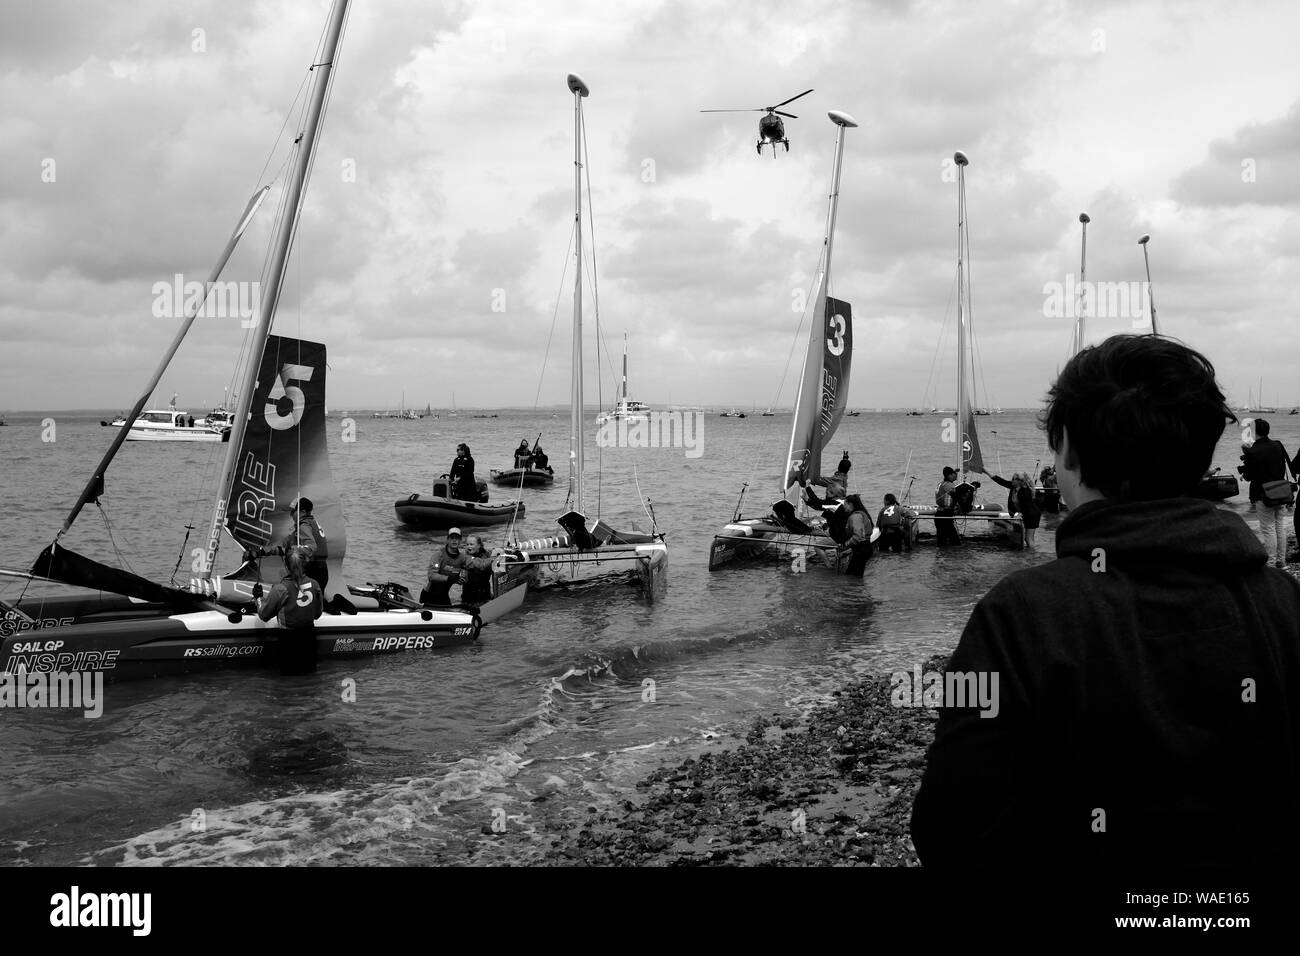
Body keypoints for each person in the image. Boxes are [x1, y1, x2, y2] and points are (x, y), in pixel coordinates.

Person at [911, 334, 1300, 870]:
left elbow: (952, 828)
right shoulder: (1283, 601)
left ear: (1066, 447)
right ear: (1201, 452)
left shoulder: (1021, 615)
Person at [256, 545, 324, 675]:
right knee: (308, 678)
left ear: (286, 566)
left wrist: (258, 598)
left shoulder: (280, 589)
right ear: (305, 565)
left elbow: (264, 615)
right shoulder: (315, 585)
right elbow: (317, 614)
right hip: (309, 639)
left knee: (288, 681)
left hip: (288, 642)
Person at [1239, 418, 1293, 568]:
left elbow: (1249, 475)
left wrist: (1247, 456)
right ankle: (1281, 561)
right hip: (1281, 491)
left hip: (1263, 494)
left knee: (1268, 528)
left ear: (1253, 431)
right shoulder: (1278, 445)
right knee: (1279, 526)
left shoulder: (1253, 450)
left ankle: (1270, 563)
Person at [258, 497, 329, 590]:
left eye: (293, 512)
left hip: (313, 572)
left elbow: (312, 547)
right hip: (322, 571)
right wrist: (266, 550)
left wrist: (290, 550)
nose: (291, 515)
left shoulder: (304, 526)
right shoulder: (312, 522)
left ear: (302, 512)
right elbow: (288, 540)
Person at [421, 527, 472, 605]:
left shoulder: (462, 558)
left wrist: (463, 579)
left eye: (457, 538)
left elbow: (472, 569)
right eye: (452, 538)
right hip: (429, 595)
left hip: (444, 596)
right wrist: (449, 578)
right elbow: (431, 576)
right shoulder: (438, 555)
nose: (454, 540)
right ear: (447, 540)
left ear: (461, 541)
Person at [839, 494, 875, 576]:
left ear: (850, 504)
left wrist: (846, 544)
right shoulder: (862, 513)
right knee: (855, 575)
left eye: (845, 504)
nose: (844, 507)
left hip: (862, 549)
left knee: (852, 575)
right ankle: (858, 588)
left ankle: (857, 588)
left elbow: (857, 536)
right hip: (865, 547)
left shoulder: (856, 516)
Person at [460, 534, 497, 604]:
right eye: (467, 544)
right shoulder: (464, 557)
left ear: (479, 545)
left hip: (485, 594)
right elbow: (481, 565)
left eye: (471, 544)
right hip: (468, 597)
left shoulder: (488, 554)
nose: (468, 547)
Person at [933, 466, 960, 545]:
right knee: (956, 543)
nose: (956, 475)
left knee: (941, 542)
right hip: (946, 516)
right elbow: (958, 498)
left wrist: (954, 471)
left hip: (938, 515)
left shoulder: (940, 484)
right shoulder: (950, 485)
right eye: (954, 474)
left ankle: (942, 556)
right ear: (949, 475)